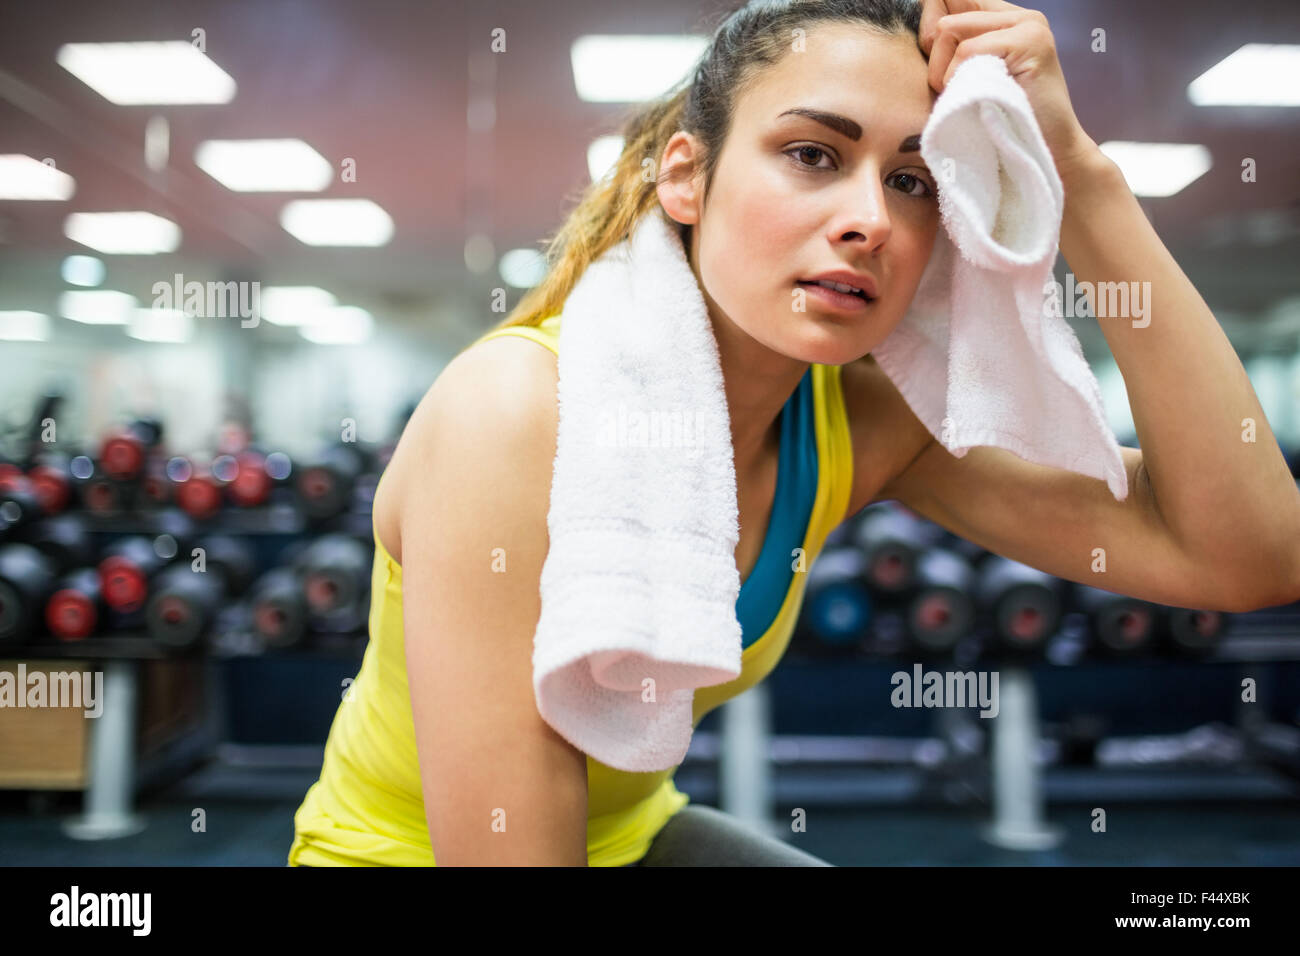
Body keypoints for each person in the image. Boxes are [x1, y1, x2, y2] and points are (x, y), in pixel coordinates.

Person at [288, 0, 1300, 866]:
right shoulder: (513, 414)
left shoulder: (857, 421)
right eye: (813, 154)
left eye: (911, 180)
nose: (869, 218)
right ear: (684, 178)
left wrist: (1081, 174)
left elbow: (1247, 553)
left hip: (637, 834)